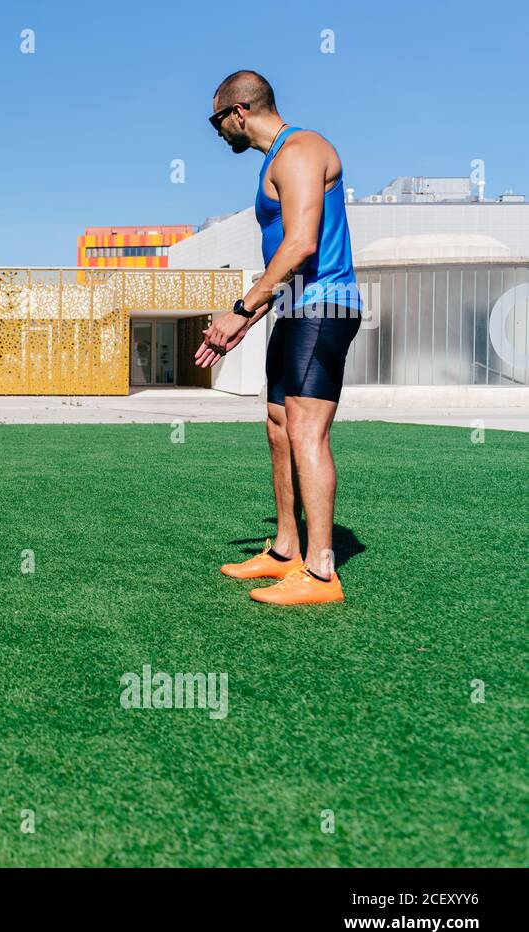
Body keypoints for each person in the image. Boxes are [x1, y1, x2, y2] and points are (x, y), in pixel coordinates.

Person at [196, 70, 361, 605]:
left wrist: (242, 306)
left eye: (216, 120)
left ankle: (320, 573)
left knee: (307, 428)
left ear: (237, 113)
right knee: (278, 423)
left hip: (324, 302)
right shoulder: (274, 161)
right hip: (293, 306)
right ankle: (287, 549)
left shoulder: (302, 149)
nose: (218, 132)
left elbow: (302, 243)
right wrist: (246, 320)